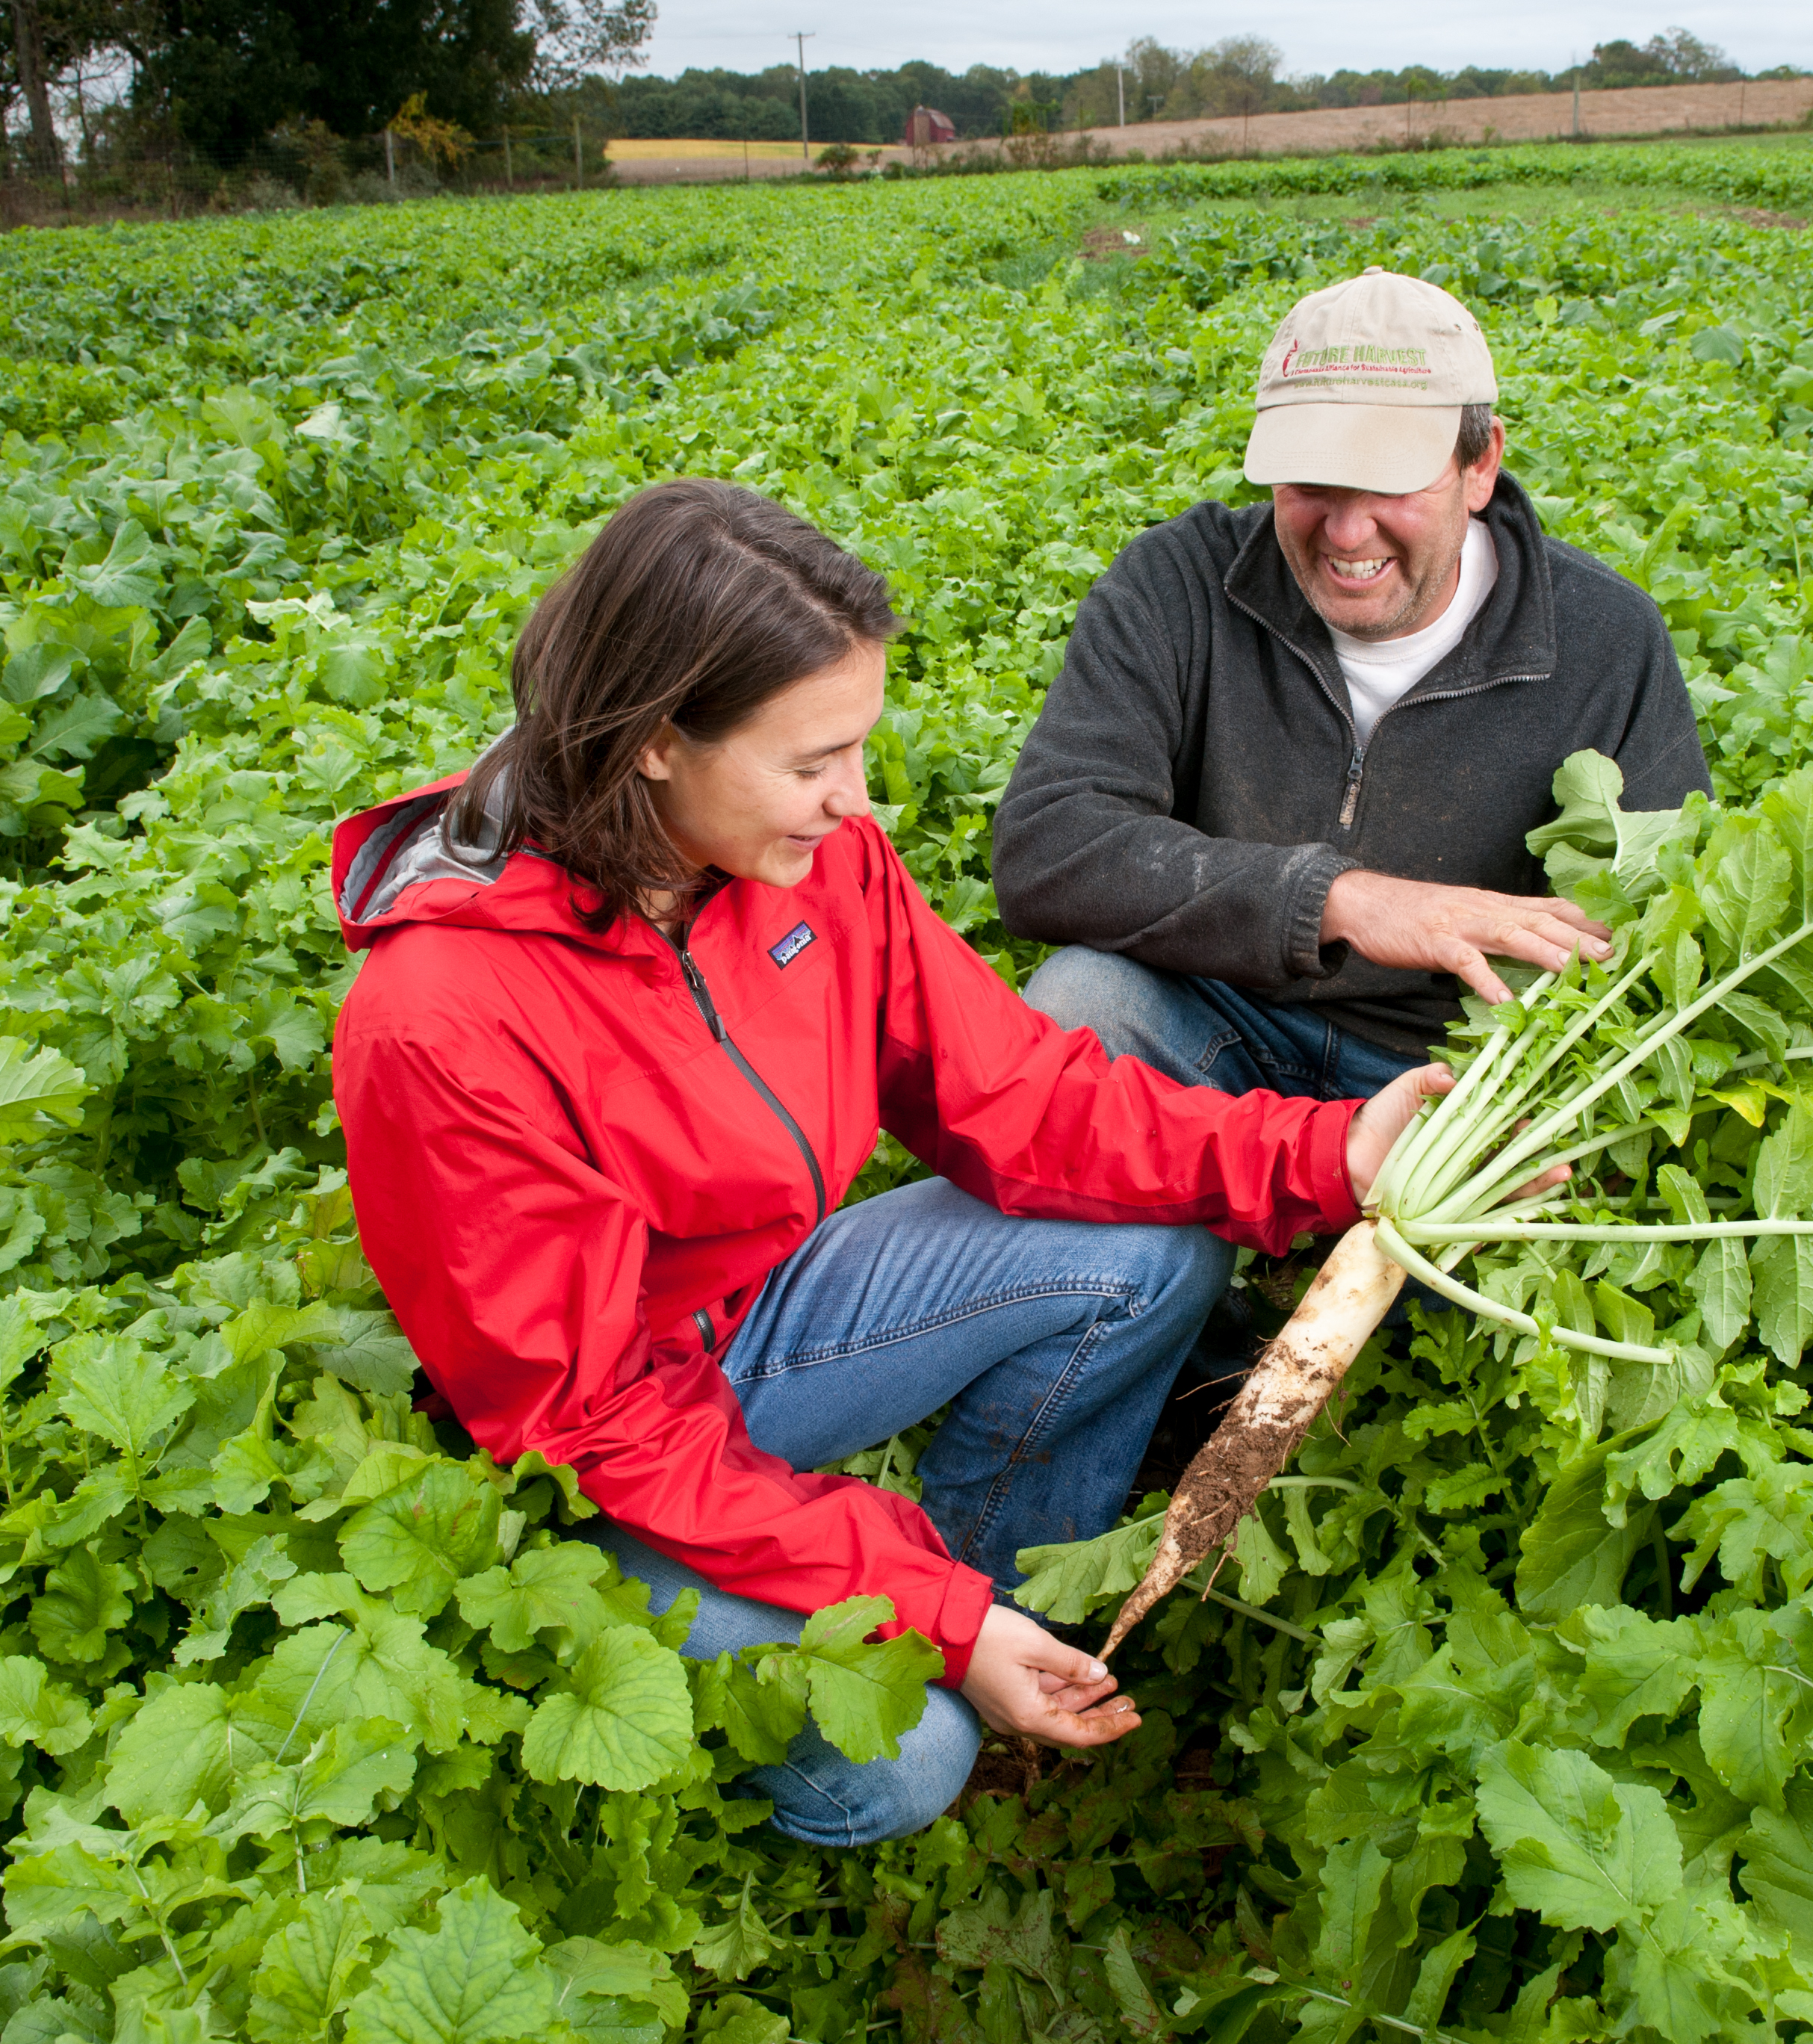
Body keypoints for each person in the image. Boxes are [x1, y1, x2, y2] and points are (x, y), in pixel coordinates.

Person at [326, 480, 1472, 1848]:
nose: (854, 800)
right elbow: (590, 1420)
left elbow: (1026, 1095)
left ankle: (1011, 1618)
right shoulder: (443, 1018)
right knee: (903, 1757)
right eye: (811, 762)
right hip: (595, 1450)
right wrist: (923, 1622)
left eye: (858, 747)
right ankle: (869, 1696)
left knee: (1149, 1244)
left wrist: (1328, 1149)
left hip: (760, 1323)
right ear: (650, 744)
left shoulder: (814, 866)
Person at [994, 266, 1712, 1106]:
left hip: (1455, 1060)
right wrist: (1335, 898)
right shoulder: (1176, 585)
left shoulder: (1604, 638)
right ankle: (1184, 1203)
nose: (1344, 530)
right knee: (1078, 1009)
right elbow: (1047, 847)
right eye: (1309, 483)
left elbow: (1656, 925)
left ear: (1479, 466)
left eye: (1389, 483)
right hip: (1213, 1008)